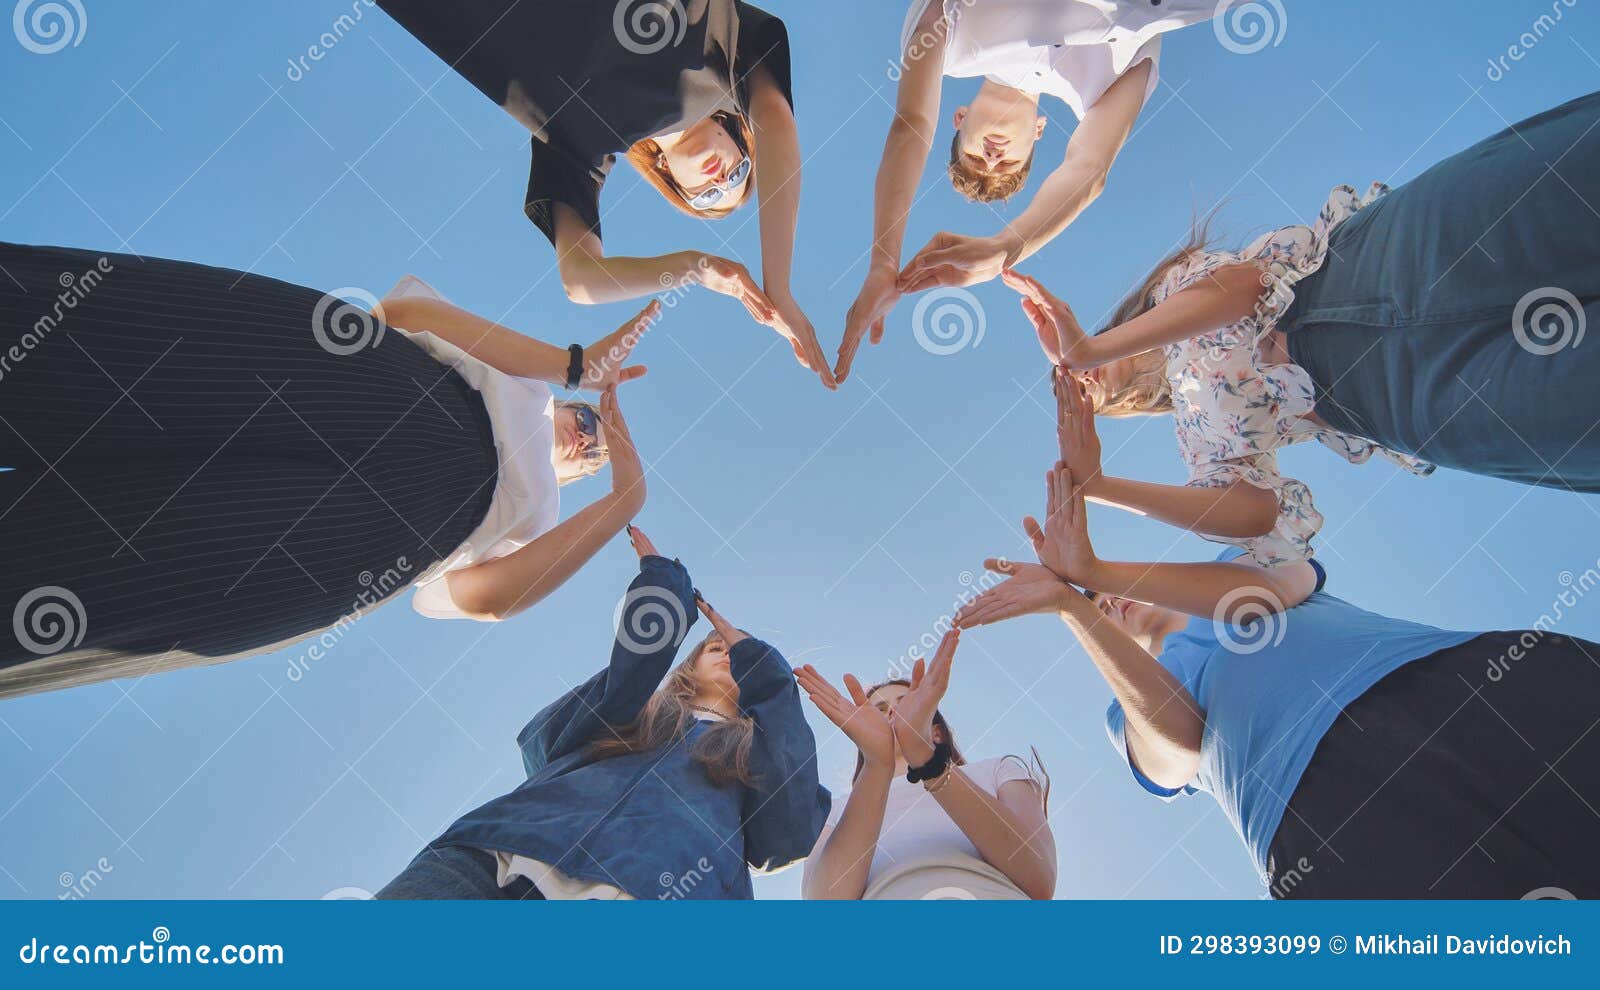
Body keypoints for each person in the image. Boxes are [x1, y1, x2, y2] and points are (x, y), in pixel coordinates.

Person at [0, 243, 649, 699]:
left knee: (85, 574)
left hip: (359, 542)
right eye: (588, 420)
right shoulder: (519, 384)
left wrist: (623, 499)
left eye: (594, 453)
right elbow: (407, 318)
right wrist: (571, 366)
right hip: (361, 383)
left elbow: (487, 599)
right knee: (97, 340)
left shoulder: (535, 522)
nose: (585, 438)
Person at [957, 467, 1600, 898]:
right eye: (1091, 607)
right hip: (1322, 817)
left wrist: (1096, 569)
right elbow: (1179, 750)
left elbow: (1267, 592)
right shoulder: (1128, 705)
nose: (1104, 601)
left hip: (1450, 689)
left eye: (1102, 592)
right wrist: (1069, 606)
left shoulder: (1228, 565)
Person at [1022, 91, 1600, 532]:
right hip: (1401, 397)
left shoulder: (1173, 292)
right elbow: (1253, 515)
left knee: (1564, 188)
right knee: (1574, 403)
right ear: (1105, 413)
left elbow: (1244, 290)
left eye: (1066, 365)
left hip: (1389, 258)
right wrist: (1099, 485)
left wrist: (1093, 350)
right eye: (1067, 388)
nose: (1073, 377)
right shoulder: (1201, 434)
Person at [375, 0, 836, 389]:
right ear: (735, 128)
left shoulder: (583, 148)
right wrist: (779, 286)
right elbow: (776, 122)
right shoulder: (722, 45)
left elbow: (580, 279)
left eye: (707, 195)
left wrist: (697, 267)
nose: (721, 178)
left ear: (673, 182)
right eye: (739, 174)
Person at [377, 526, 830, 899]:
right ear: (689, 661)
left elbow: (786, 834)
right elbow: (545, 742)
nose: (726, 648)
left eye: (738, 648)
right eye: (717, 643)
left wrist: (770, 678)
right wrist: (664, 598)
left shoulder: (762, 753)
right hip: (490, 858)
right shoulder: (638, 704)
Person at [835, 0, 1219, 382]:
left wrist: (884, 261)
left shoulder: (952, 41)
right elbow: (1089, 169)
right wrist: (1008, 246)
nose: (989, 158)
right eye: (1005, 165)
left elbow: (912, 124)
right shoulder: (1095, 94)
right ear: (1038, 132)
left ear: (960, 117)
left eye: (973, 156)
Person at [795, 629, 1056, 899]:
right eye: (880, 710)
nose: (893, 712)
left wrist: (926, 759)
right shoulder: (833, 811)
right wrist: (877, 765)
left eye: (905, 703)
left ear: (937, 732)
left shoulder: (998, 770)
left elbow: (1039, 878)